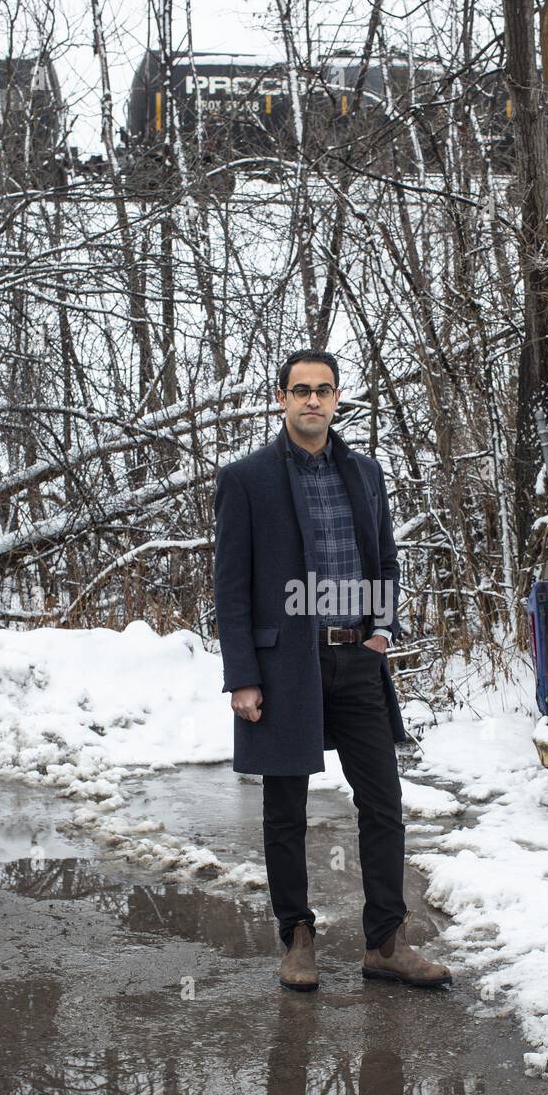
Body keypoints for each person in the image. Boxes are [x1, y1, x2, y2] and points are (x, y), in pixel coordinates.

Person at [213, 348, 452, 993]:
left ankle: (384, 943)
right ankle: (297, 938)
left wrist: (381, 626)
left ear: (338, 398)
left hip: (356, 661)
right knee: (284, 807)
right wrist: (242, 676)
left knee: (384, 803)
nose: (312, 400)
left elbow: (384, 560)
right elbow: (231, 588)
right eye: (300, 390)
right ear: (283, 399)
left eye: (323, 390)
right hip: (286, 663)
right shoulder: (248, 480)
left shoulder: (366, 474)